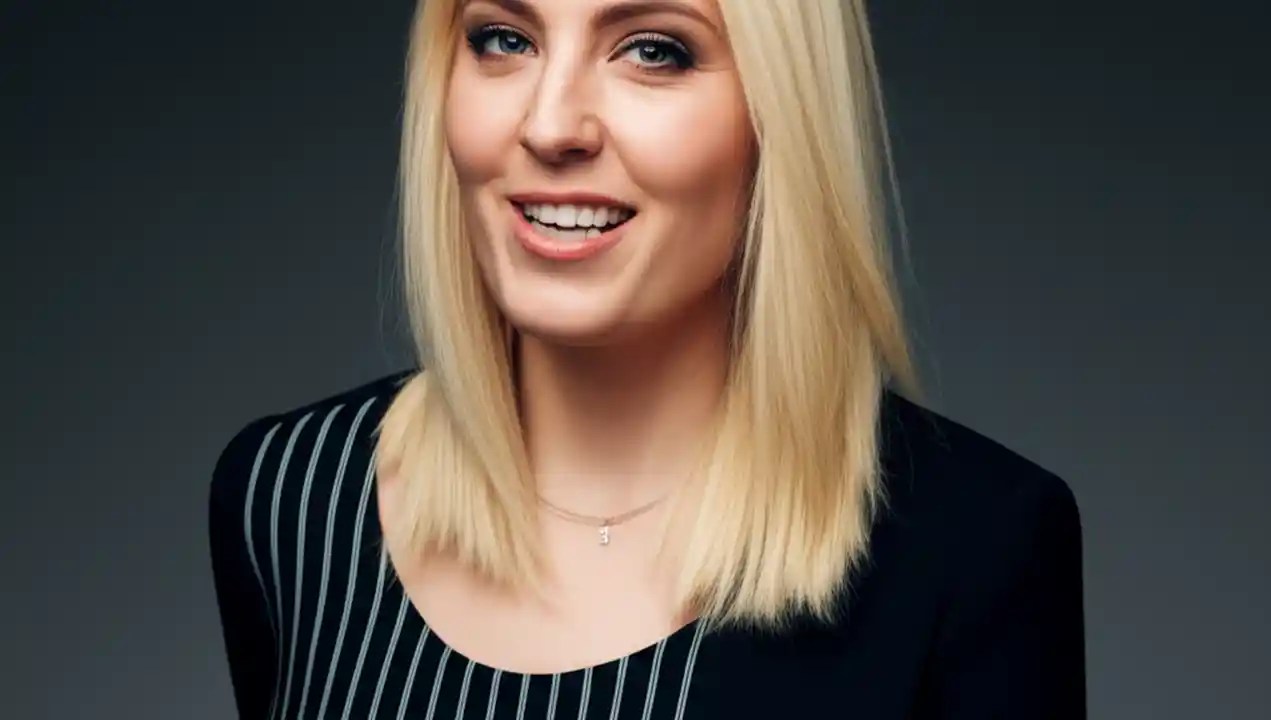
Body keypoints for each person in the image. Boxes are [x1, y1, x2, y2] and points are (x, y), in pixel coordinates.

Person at [208, 0, 1086, 717]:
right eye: (504, 39)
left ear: (781, 112)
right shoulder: (289, 498)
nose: (551, 125)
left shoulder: (974, 546)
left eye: (654, 50)